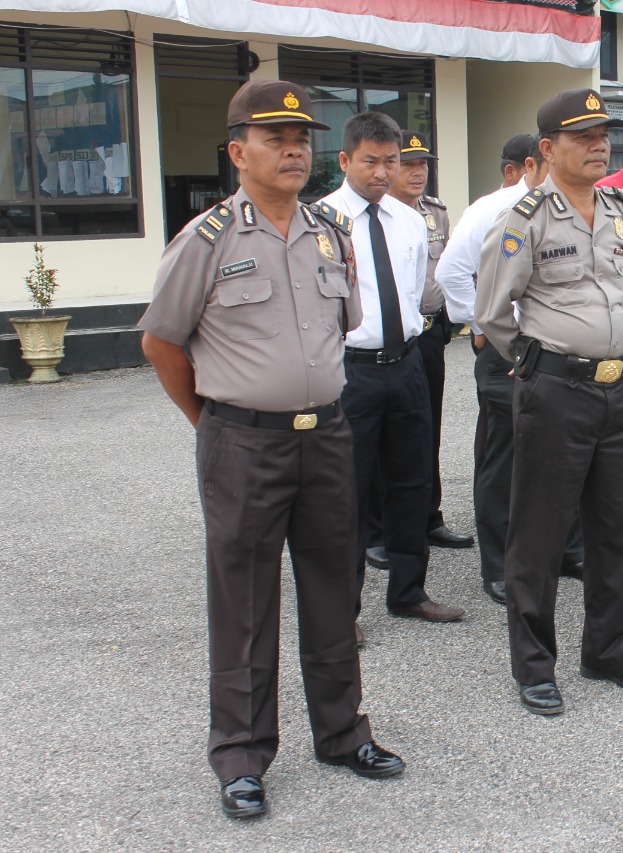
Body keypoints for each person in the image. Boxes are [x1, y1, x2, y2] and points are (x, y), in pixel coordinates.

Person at [138, 80, 403, 820]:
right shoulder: (208, 238)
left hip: (326, 436)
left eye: (301, 139)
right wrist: (215, 422)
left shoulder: (330, 233)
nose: (294, 150)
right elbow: (160, 342)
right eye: (274, 138)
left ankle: (344, 734)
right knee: (245, 602)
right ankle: (242, 755)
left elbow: (337, 330)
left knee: (330, 591)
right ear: (237, 152)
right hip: (242, 443)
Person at [475, 88, 623, 715]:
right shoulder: (524, 217)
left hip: (619, 386)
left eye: (603, 134)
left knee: (612, 529)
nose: (598, 145)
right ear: (548, 148)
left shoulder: (618, 209)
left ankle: (608, 650)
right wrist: (533, 365)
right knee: (539, 533)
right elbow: (491, 315)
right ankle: (534, 665)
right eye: (583, 136)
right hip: (557, 389)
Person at [319, 112, 462, 629]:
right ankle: (343, 609)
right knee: (347, 494)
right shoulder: (320, 221)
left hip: (405, 364)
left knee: (411, 481)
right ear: (345, 160)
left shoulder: (408, 220)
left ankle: (409, 590)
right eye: (370, 162)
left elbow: (409, 295)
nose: (382, 173)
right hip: (351, 372)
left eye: (391, 162)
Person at [435, 136, 583, 607]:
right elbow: (450, 271)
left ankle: (563, 550)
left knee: (562, 454)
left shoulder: (575, 207)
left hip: (563, 353)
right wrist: (480, 325)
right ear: (532, 164)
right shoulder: (494, 208)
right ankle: (498, 564)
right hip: (510, 351)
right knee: (503, 458)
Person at [386, 130, 474, 551]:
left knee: (428, 426)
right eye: (407, 163)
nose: (417, 172)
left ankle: (428, 515)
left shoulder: (435, 213)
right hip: (386, 339)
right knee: (387, 433)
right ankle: (382, 526)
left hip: (429, 331)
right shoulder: (376, 215)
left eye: (423, 164)